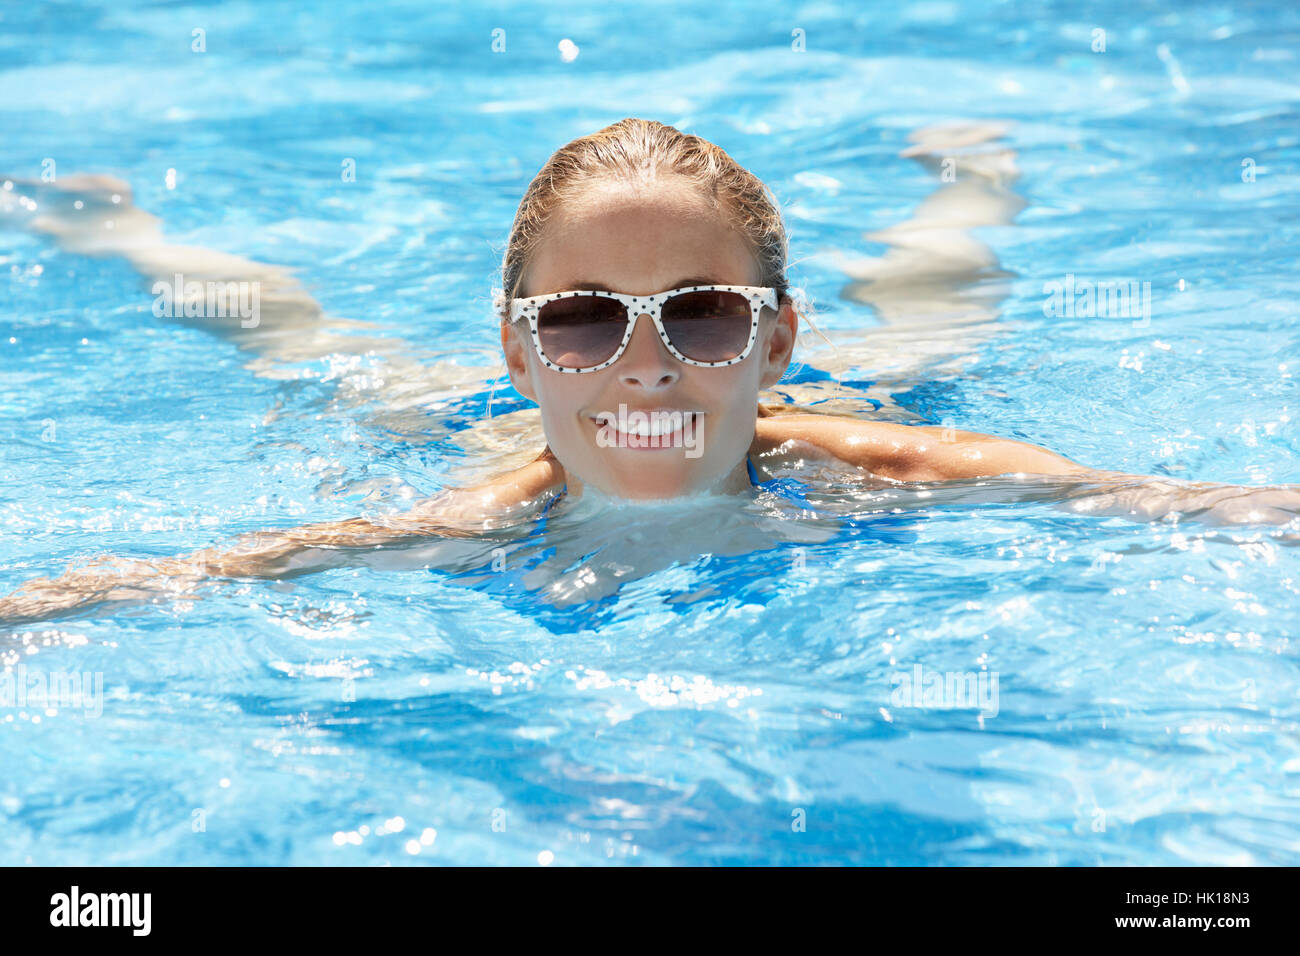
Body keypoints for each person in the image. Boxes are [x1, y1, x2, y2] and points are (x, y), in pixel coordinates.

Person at [2, 117, 1296, 623]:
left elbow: (1164, 506)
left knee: (924, 339)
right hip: (480, 431)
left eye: (705, 316)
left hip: (833, 415)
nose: (643, 366)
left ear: (775, 340)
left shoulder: (881, 468)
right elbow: (206, 573)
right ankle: (120, 226)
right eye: (579, 321)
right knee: (321, 354)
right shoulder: (479, 510)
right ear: (522, 348)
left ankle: (971, 186)